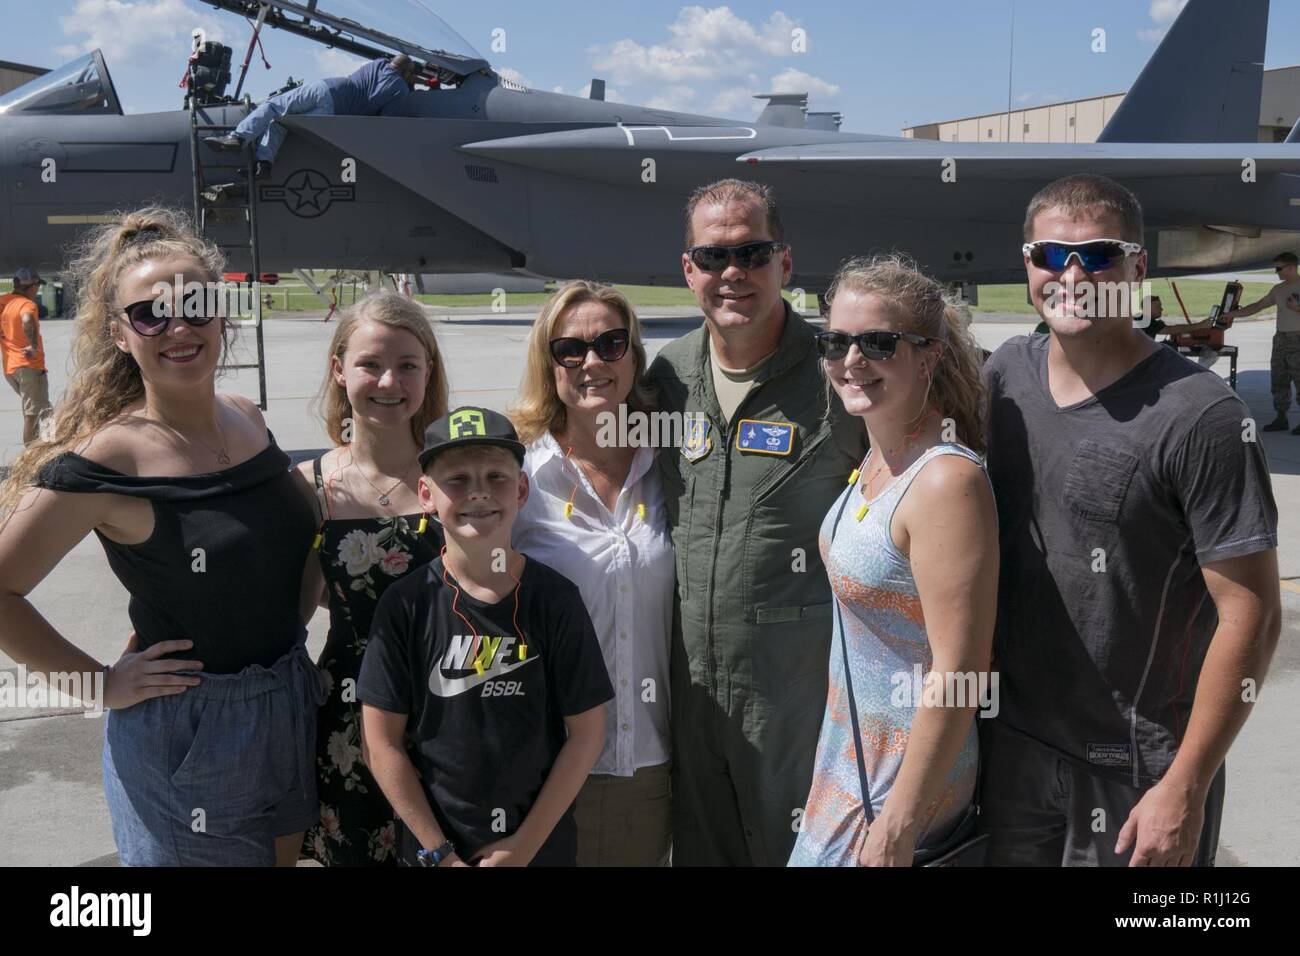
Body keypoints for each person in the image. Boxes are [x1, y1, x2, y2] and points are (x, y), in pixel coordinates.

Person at [0, 206, 322, 866]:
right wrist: (100, 685)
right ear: (120, 334)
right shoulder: (108, 460)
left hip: (289, 700)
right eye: (151, 313)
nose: (179, 326)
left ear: (221, 311)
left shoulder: (247, 418)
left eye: (196, 303)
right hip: (190, 733)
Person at [980, 174, 1282, 866]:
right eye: (1052, 255)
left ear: (1139, 268)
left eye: (1100, 254)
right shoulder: (1006, 377)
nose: (1074, 274)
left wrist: (1186, 785)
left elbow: (1254, 616)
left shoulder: (1200, 416)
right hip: (1015, 753)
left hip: (1136, 774)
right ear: (1027, 265)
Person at [646, 179, 869, 866]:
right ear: (689, 270)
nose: (732, 273)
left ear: (786, 263)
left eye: (752, 253)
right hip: (689, 696)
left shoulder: (842, 375)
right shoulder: (667, 377)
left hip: (798, 700)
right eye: (712, 258)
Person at [788, 254, 998, 867]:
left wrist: (899, 822)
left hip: (900, 790)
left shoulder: (944, 483)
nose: (852, 362)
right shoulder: (876, 457)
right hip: (850, 765)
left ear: (928, 356)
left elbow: (961, 672)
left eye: (879, 343)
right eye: (836, 342)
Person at [358, 407, 613, 866]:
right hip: (436, 849)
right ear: (425, 494)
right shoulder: (406, 606)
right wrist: (439, 852)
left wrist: (524, 846)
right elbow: (382, 744)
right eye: (456, 479)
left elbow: (587, 735)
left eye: (496, 476)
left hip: (538, 849)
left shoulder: (555, 601)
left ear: (521, 490)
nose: (478, 492)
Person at [511, 281, 674, 866]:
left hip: (652, 765)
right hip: (544, 767)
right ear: (547, 363)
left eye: (611, 343)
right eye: (570, 349)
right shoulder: (520, 479)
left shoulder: (672, 469)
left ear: (633, 354)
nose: (593, 362)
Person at [297, 291, 449, 866]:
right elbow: (289, 616)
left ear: (427, 371)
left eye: (408, 364)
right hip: (349, 717)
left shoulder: (455, 472)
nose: (390, 381)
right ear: (339, 371)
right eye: (370, 364)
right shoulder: (309, 487)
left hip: (450, 711)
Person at [205, 54, 418, 178]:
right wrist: (409, 87)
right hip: (332, 115)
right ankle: (264, 165)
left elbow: (390, 68)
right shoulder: (400, 90)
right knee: (281, 123)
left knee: (273, 107)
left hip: (327, 88)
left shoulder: (379, 63)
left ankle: (238, 138)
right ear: (407, 74)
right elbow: (387, 123)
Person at [1220, 252, 1300, 433]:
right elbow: (1258, 306)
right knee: (1279, 379)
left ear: (1291, 268)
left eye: (1279, 268)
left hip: (1298, 338)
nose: (1276, 272)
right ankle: (1281, 418)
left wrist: (1297, 308)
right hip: (1281, 338)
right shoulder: (1278, 290)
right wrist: (1232, 314)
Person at [1, 267, 53, 445]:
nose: (37, 290)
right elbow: (27, 319)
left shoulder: (4, 302)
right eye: (37, 286)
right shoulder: (27, 304)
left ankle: (49, 444)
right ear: (30, 287)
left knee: (45, 409)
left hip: (11, 368)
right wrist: (33, 345)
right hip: (29, 367)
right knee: (31, 414)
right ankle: (31, 455)